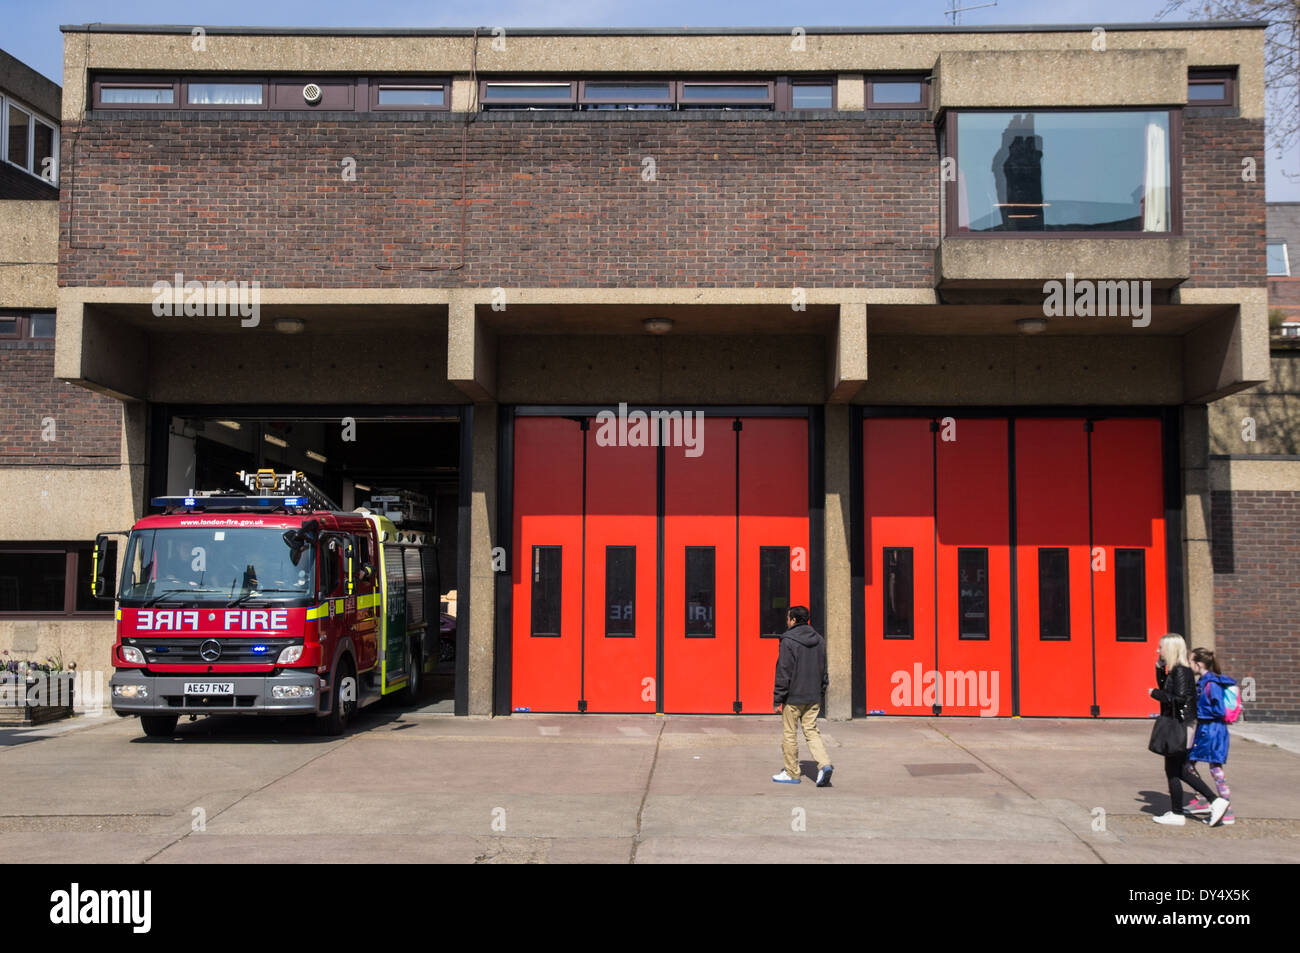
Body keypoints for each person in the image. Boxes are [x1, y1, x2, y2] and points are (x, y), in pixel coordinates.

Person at [1147, 633, 1228, 827]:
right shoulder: (1176, 670)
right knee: (1177, 770)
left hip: (1180, 725)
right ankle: (1188, 809)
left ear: (1171, 649)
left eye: (1161, 648)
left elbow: (1180, 700)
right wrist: (1159, 667)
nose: (1158, 651)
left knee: (1176, 770)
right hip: (1181, 724)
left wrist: (1156, 695)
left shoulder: (1181, 671)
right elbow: (1167, 687)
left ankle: (1212, 801)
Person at [772, 606, 832, 786]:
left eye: (787, 618)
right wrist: (821, 691)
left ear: (793, 620)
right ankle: (825, 764)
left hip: (794, 697)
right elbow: (824, 669)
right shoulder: (819, 640)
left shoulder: (788, 641)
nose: (786, 621)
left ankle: (792, 773)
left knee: (789, 734)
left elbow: (783, 671)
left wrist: (778, 698)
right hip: (813, 696)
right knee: (812, 732)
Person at [1185, 647, 1236, 825]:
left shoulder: (1211, 684)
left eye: (1190, 661)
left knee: (1215, 770)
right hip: (1206, 730)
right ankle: (1204, 799)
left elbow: (1219, 710)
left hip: (1213, 731)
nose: (1188, 664)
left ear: (1198, 664)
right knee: (1188, 765)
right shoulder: (1203, 682)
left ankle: (1226, 809)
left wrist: (1197, 712)